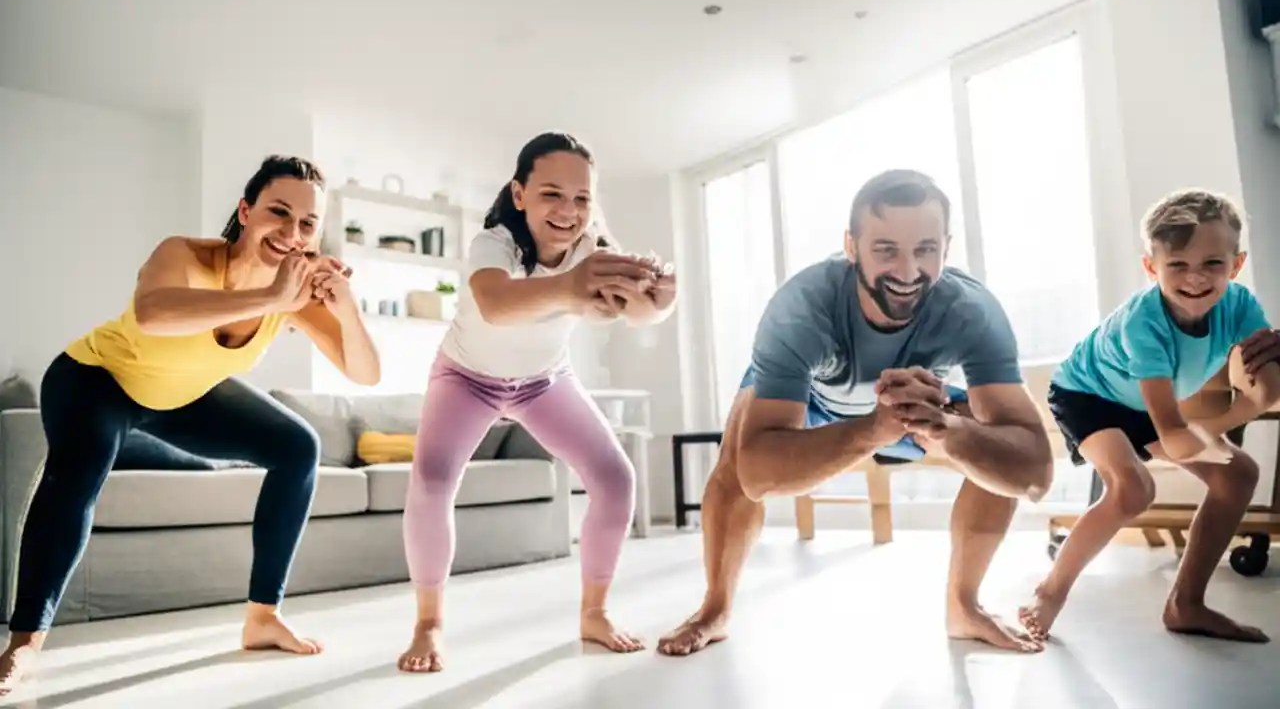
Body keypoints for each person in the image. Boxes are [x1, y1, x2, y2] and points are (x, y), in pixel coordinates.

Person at [0, 155, 381, 694]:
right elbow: (153, 313)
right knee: (78, 470)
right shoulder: (185, 255)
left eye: (307, 224)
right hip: (95, 380)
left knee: (298, 446)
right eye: (278, 212)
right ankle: (23, 646)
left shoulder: (294, 296)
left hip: (178, 398)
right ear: (246, 211)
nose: (292, 233)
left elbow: (365, 373)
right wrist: (273, 296)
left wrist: (346, 308)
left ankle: (263, 618)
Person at [658, 169, 1055, 657]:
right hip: (814, 397)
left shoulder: (972, 311)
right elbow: (757, 475)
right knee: (738, 445)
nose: (908, 273)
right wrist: (874, 429)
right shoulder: (802, 307)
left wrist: (950, 430)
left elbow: (1035, 474)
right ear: (852, 246)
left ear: (945, 249)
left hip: (917, 402)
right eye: (886, 250)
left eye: (925, 250)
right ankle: (715, 608)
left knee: (990, 436)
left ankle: (963, 606)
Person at [396, 132, 677, 673]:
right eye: (552, 194)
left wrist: (659, 302)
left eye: (582, 198)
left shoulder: (593, 244)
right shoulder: (494, 242)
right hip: (465, 376)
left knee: (616, 479)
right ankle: (428, 623)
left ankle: (595, 613)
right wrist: (573, 288)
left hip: (544, 381)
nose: (569, 212)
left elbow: (634, 313)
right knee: (430, 482)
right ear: (519, 194)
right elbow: (497, 305)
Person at [1019, 189, 1280, 643]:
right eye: (1177, 265)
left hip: (1142, 401)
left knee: (1238, 474)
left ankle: (1186, 604)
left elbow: (1270, 386)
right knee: (1133, 489)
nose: (1195, 279)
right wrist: (1244, 408)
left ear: (1235, 265)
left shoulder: (1240, 306)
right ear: (1151, 267)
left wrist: (1259, 390)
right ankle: (1051, 591)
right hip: (1088, 393)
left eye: (1212, 264)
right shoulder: (1144, 325)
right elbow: (1177, 437)